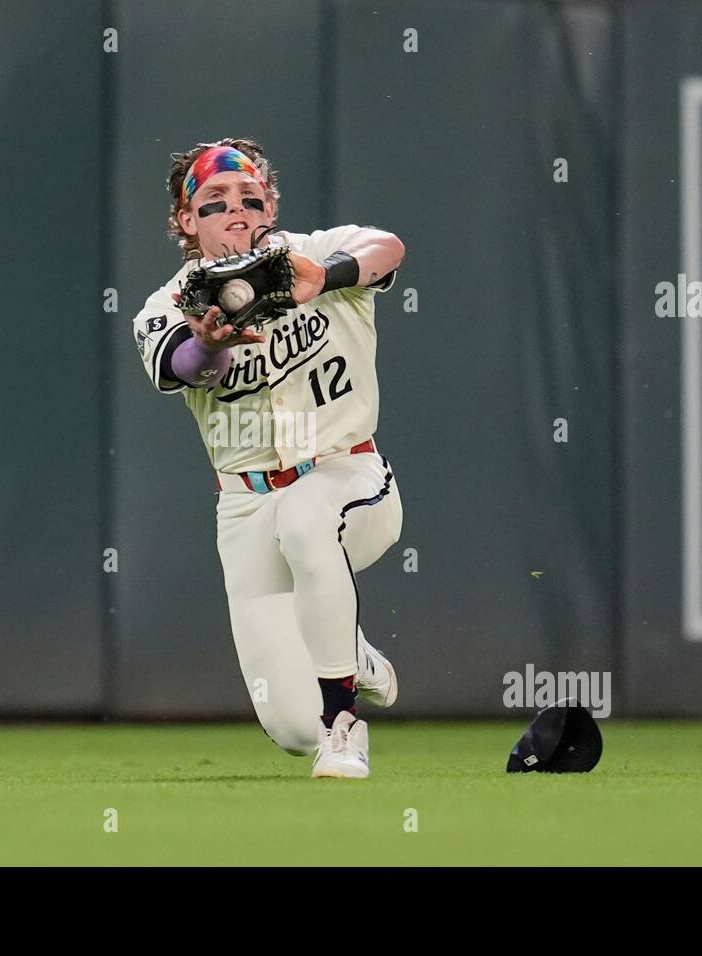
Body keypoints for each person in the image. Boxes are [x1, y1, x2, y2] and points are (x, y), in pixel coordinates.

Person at [132, 137, 406, 778]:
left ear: (270, 206)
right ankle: (350, 652)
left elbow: (387, 247)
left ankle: (344, 724)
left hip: (350, 477)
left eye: (250, 198)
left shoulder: (309, 254)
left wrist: (328, 277)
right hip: (249, 505)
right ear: (185, 218)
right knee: (287, 725)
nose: (236, 211)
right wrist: (209, 344)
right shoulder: (170, 305)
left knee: (307, 521)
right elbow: (185, 365)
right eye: (213, 201)